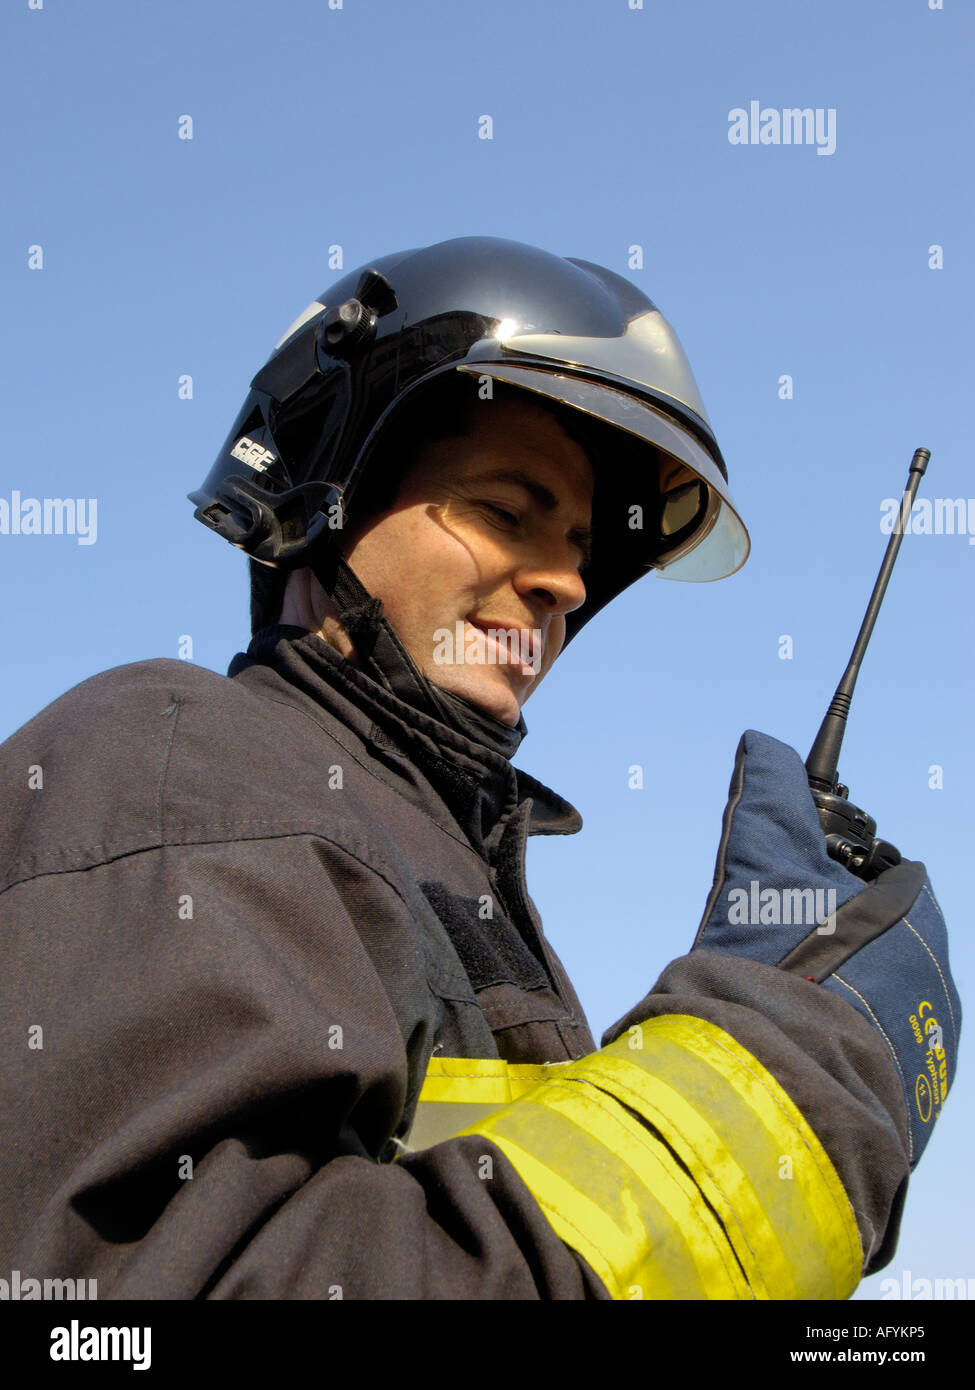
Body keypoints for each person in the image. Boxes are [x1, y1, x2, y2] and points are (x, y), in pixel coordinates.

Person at [0, 236, 959, 1300]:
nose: (563, 581)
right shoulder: (183, 762)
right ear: (327, 500)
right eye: (507, 511)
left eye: (583, 546)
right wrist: (776, 1076)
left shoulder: (452, 869)